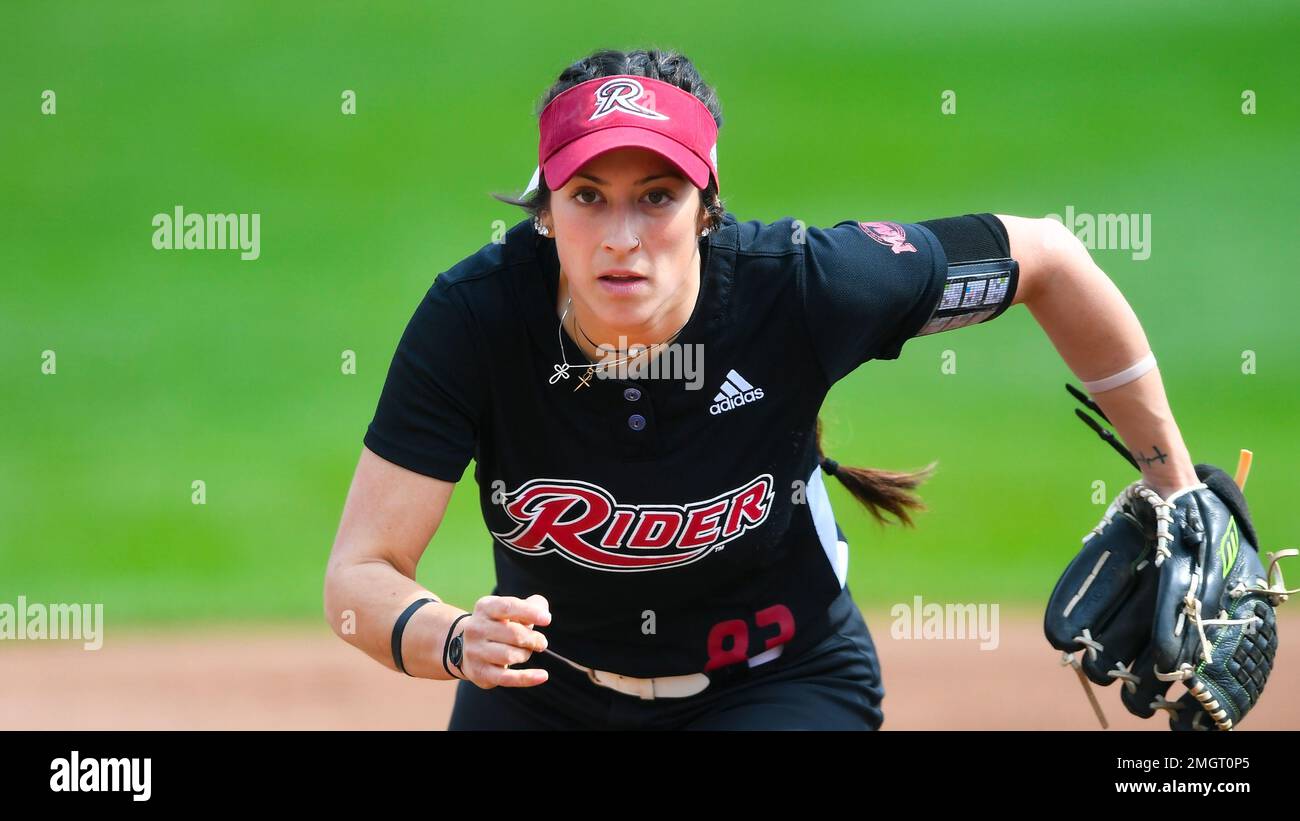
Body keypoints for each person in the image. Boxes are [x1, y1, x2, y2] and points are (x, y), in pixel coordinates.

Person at [323, 47, 1204, 730]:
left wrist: (1178, 489)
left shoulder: (806, 286)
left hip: (781, 681)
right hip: (548, 695)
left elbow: (1049, 257)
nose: (621, 236)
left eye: (657, 195)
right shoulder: (475, 320)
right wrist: (450, 636)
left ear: (707, 207)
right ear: (545, 207)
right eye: (588, 195)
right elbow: (360, 572)